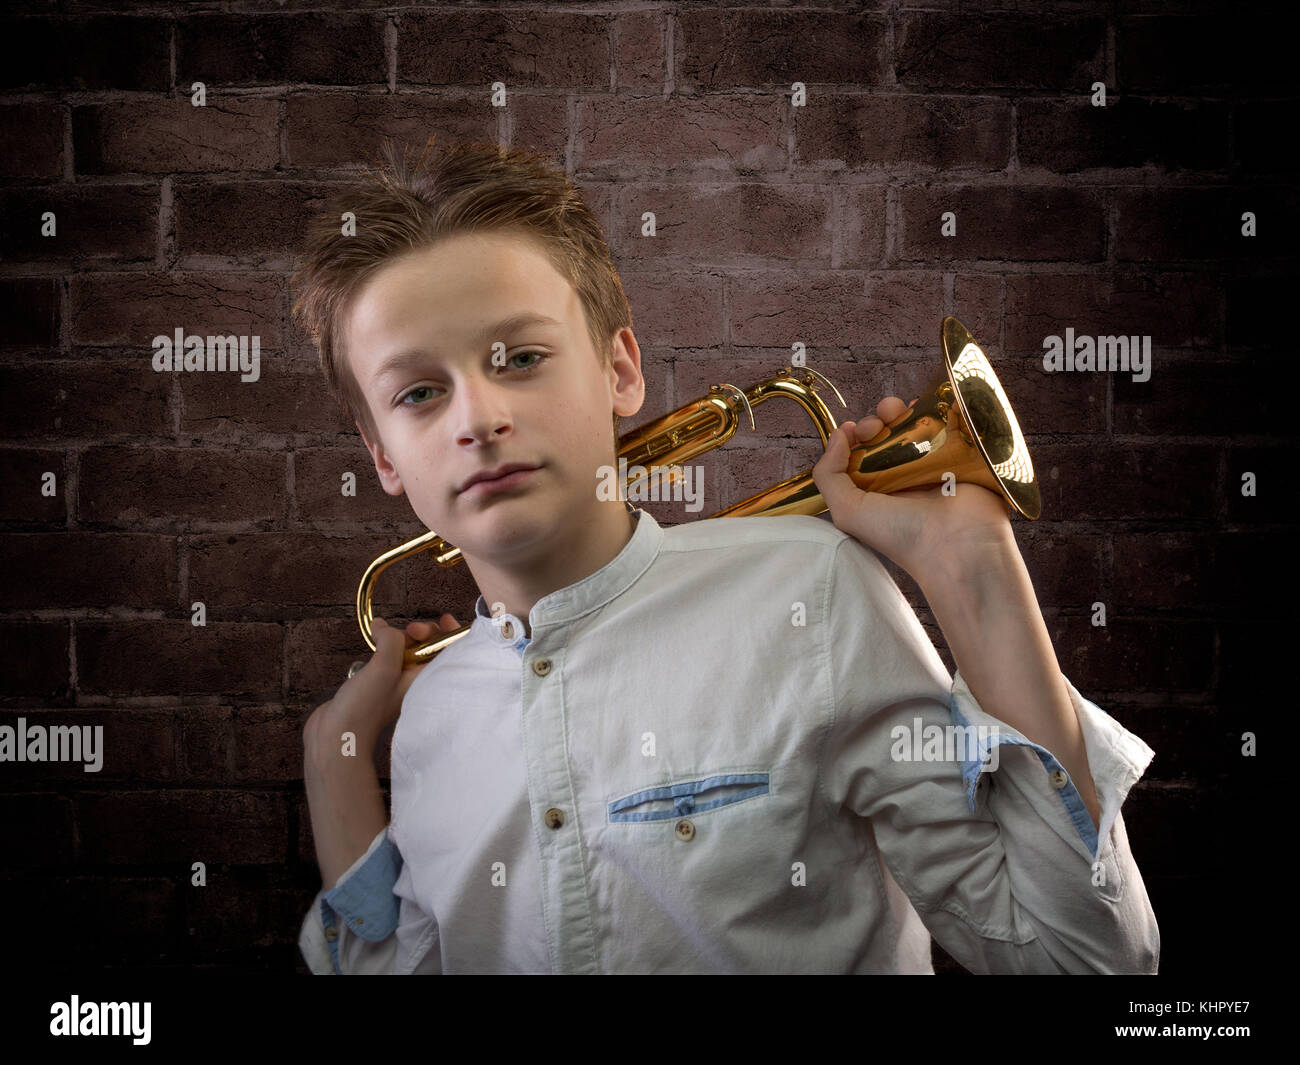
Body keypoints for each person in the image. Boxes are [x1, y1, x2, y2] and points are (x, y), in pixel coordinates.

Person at [290, 137, 1159, 974]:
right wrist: (337, 779)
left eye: (519, 357)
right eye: (419, 392)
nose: (475, 417)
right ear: (383, 459)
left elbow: (1081, 960)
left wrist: (973, 565)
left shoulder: (813, 591)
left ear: (621, 369)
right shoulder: (428, 718)